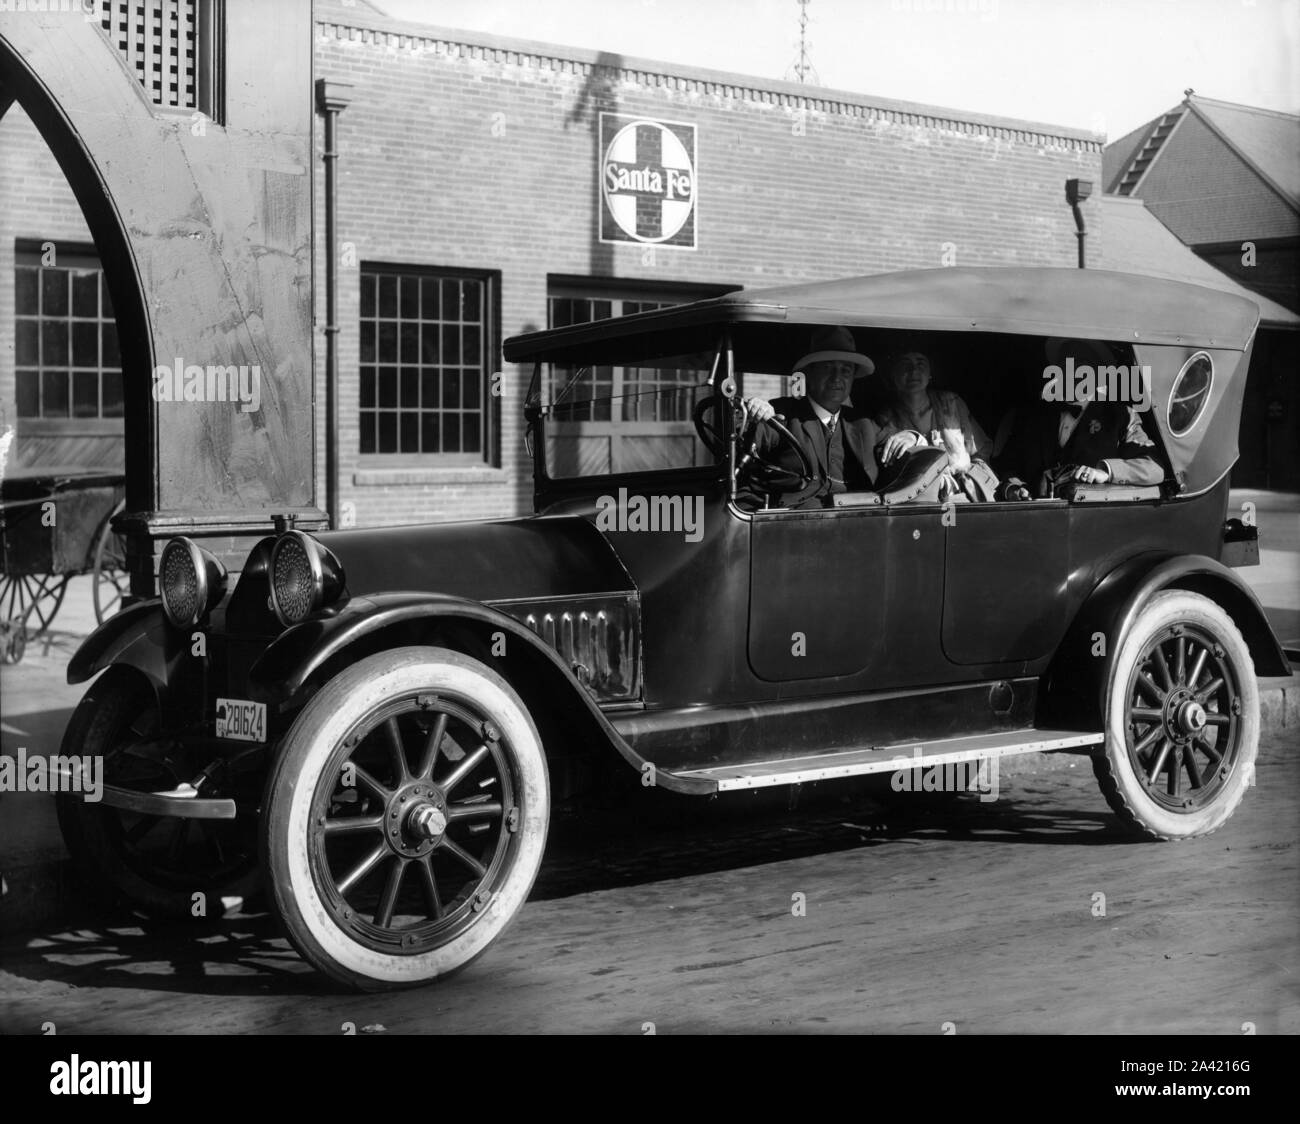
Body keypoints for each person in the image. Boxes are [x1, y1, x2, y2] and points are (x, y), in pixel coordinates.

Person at [993, 338, 1163, 499]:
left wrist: (1106, 471)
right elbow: (1007, 465)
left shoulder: (1121, 416)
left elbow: (1154, 467)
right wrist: (1013, 489)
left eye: (1080, 365)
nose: (1071, 371)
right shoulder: (1034, 417)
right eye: (1064, 364)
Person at [739, 326, 883, 509]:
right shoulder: (781, 413)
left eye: (845, 371)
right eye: (828, 368)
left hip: (856, 525)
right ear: (809, 373)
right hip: (793, 526)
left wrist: (911, 436)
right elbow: (740, 446)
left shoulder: (862, 423)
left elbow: (897, 440)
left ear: (853, 378)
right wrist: (752, 414)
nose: (837, 378)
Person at [874, 346, 992, 474]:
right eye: (905, 364)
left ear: (930, 373)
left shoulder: (951, 402)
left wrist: (973, 481)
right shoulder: (886, 417)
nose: (913, 371)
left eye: (920, 364)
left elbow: (982, 451)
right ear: (893, 374)